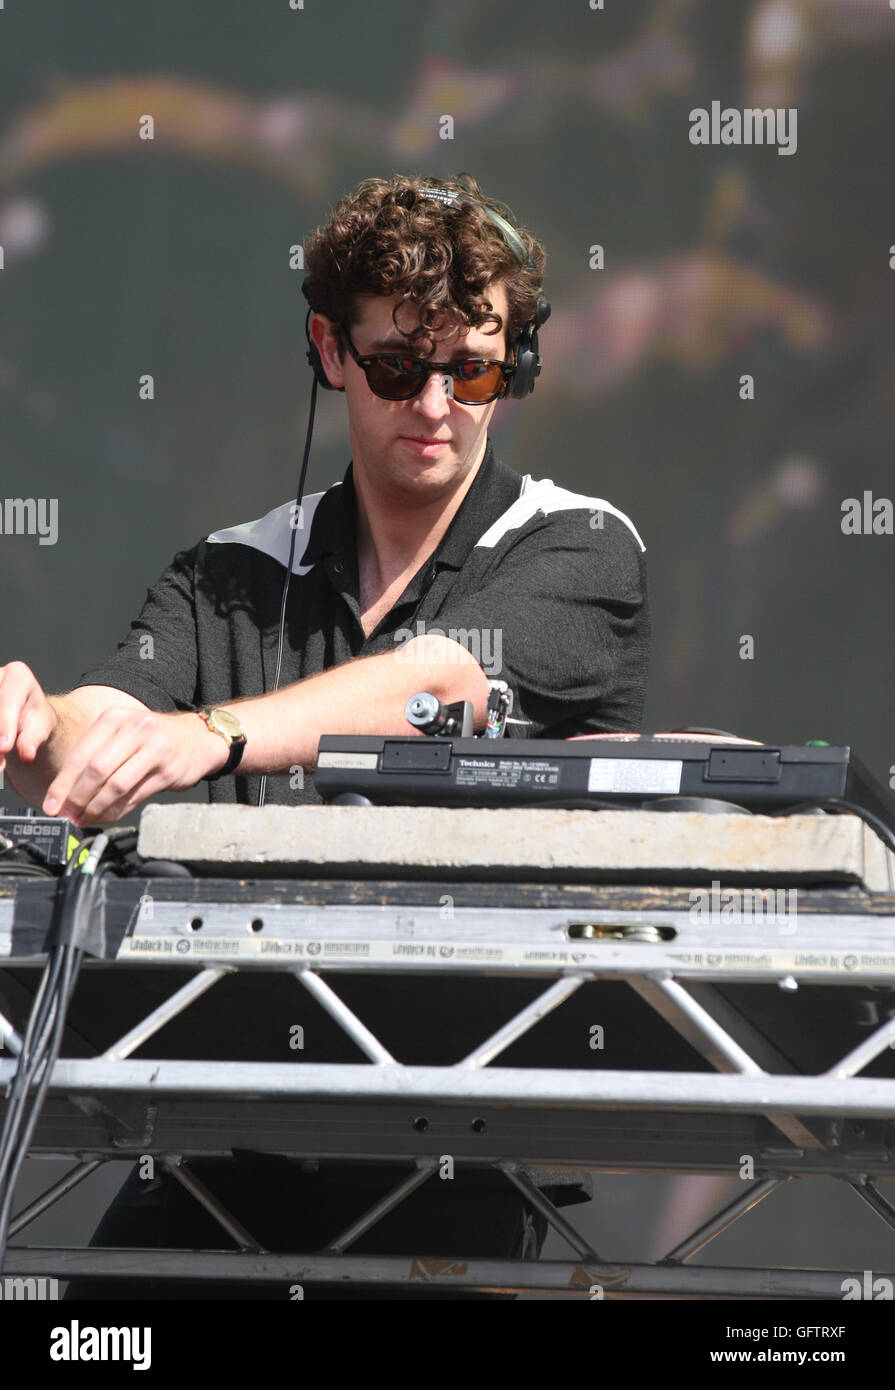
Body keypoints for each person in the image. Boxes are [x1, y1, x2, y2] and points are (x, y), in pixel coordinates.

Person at [0, 171, 650, 1297]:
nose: (436, 403)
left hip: (455, 1147)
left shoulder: (581, 546)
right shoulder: (229, 569)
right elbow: (117, 718)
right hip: (217, 1133)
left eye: (474, 368)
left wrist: (217, 733)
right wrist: (39, 716)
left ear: (520, 368)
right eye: (399, 366)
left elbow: (438, 680)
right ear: (329, 350)